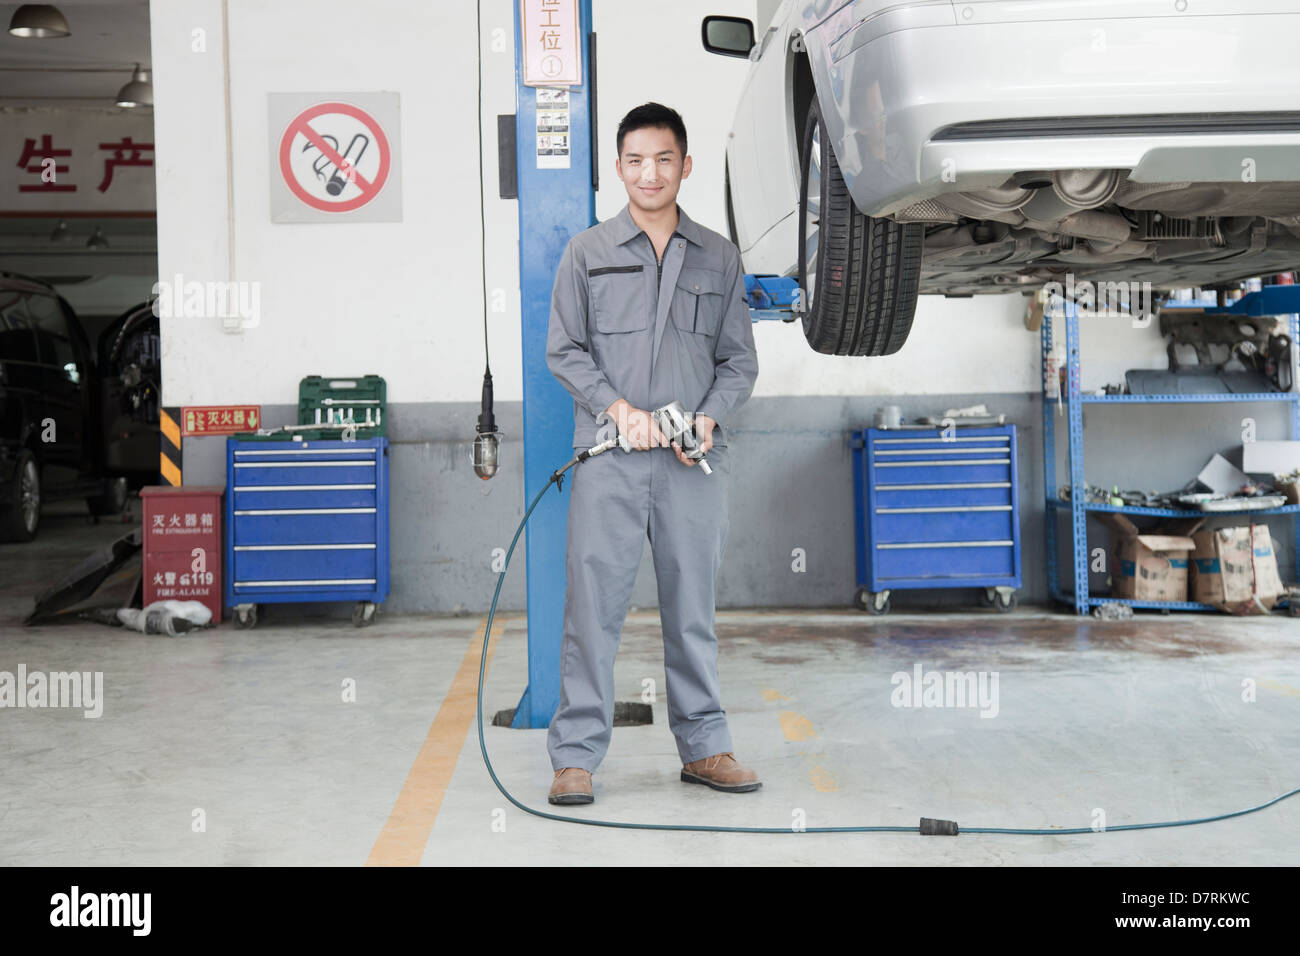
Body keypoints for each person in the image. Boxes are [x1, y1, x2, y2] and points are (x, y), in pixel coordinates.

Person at [544, 102, 760, 806]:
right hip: (609, 456)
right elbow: (564, 351)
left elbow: (738, 363)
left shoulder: (719, 258)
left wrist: (707, 420)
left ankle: (705, 746)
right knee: (592, 610)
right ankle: (574, 756)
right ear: (619, 168)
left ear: (685, 166)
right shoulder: (587, 254)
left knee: (692, 607)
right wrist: (620, 410)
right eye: (636, 160)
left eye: (664, 158)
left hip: (691, 462)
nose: (650, 172)